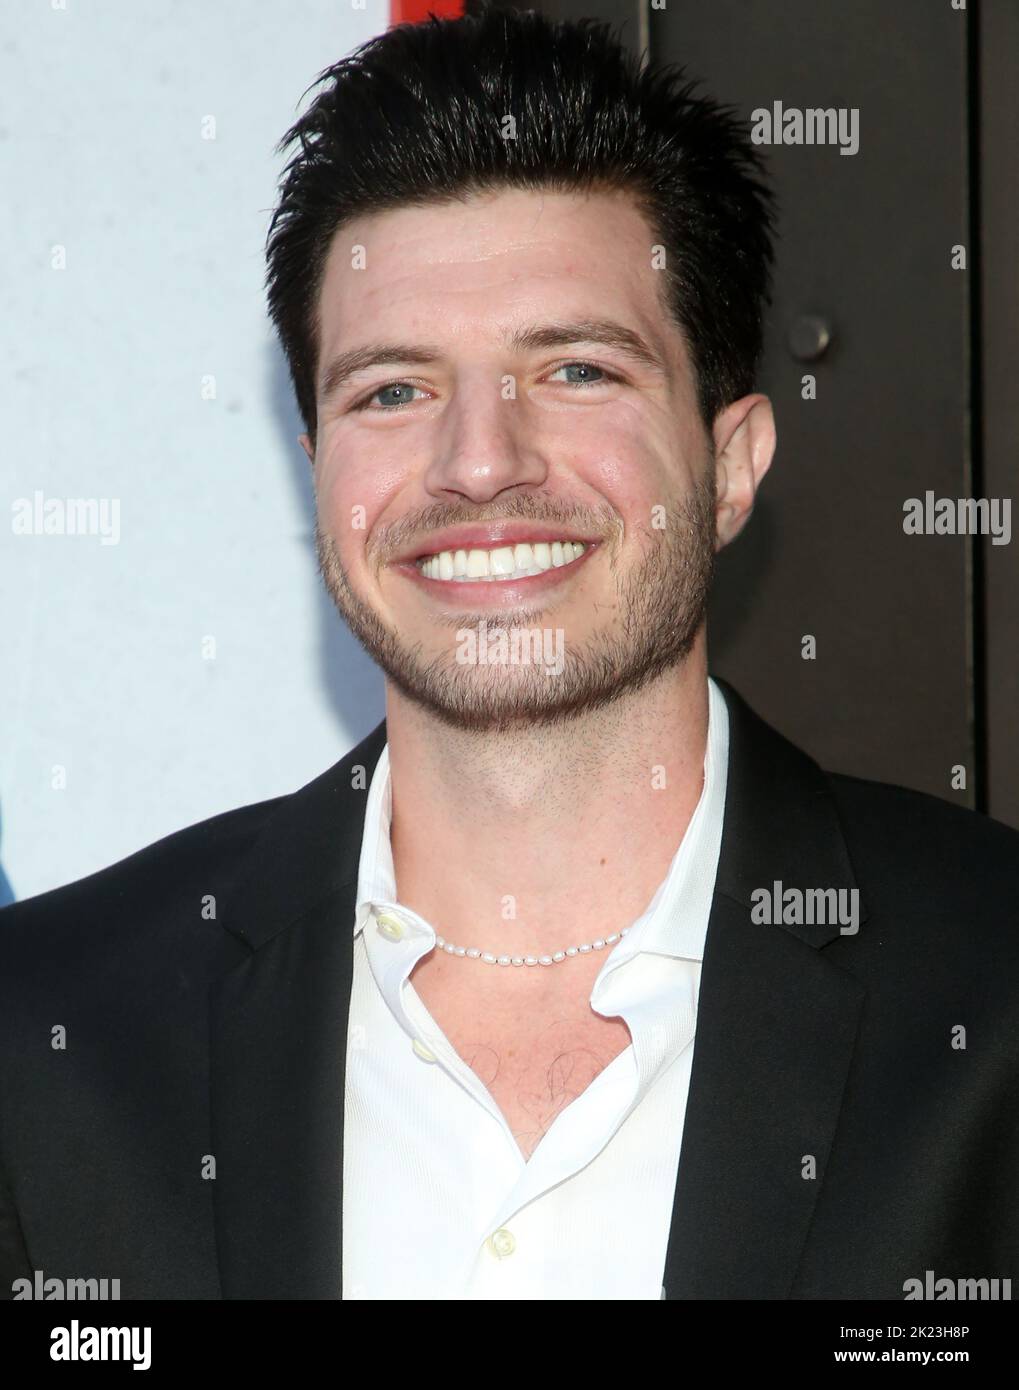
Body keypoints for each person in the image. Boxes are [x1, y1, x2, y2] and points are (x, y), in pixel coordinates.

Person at [2, 4, 1017, 1302]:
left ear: (731, 462)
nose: (480, 460)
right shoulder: (53, 1037)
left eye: (578, 370)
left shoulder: (990, 992)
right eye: (393, 390)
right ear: (319, 475)